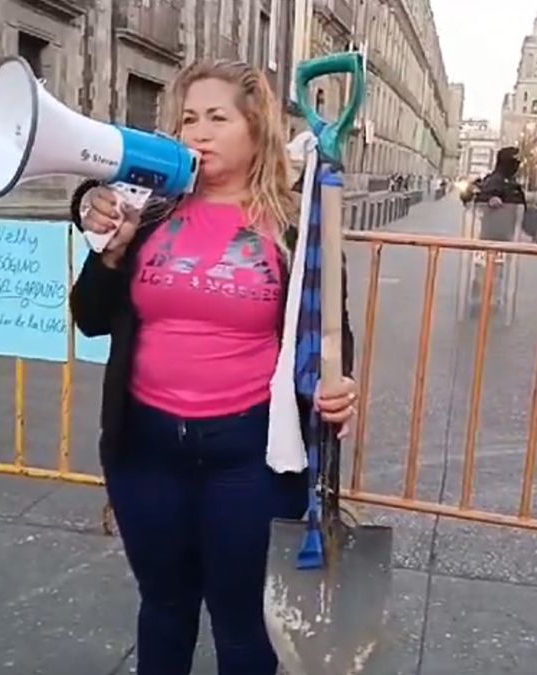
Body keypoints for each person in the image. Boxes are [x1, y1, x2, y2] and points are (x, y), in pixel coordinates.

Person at [69, 60, 360, 673]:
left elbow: (329, 334)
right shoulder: (149, 211)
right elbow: (90, 317)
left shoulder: (294, 227)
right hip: (144, 450)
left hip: (248, 457)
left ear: (256, 129)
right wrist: (112, 252)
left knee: (242, 622)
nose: (197, 131)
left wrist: (339, 387)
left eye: (217, 118)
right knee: (165, 606)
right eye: (188, 119)